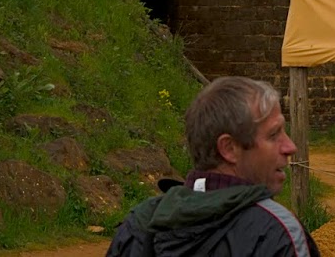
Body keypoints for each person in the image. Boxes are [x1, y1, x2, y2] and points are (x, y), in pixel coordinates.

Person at [106, 76, 318, 257]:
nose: (290, 146)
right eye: (274, 135)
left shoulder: (136, 226)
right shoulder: (277, 232)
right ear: (229, 148)